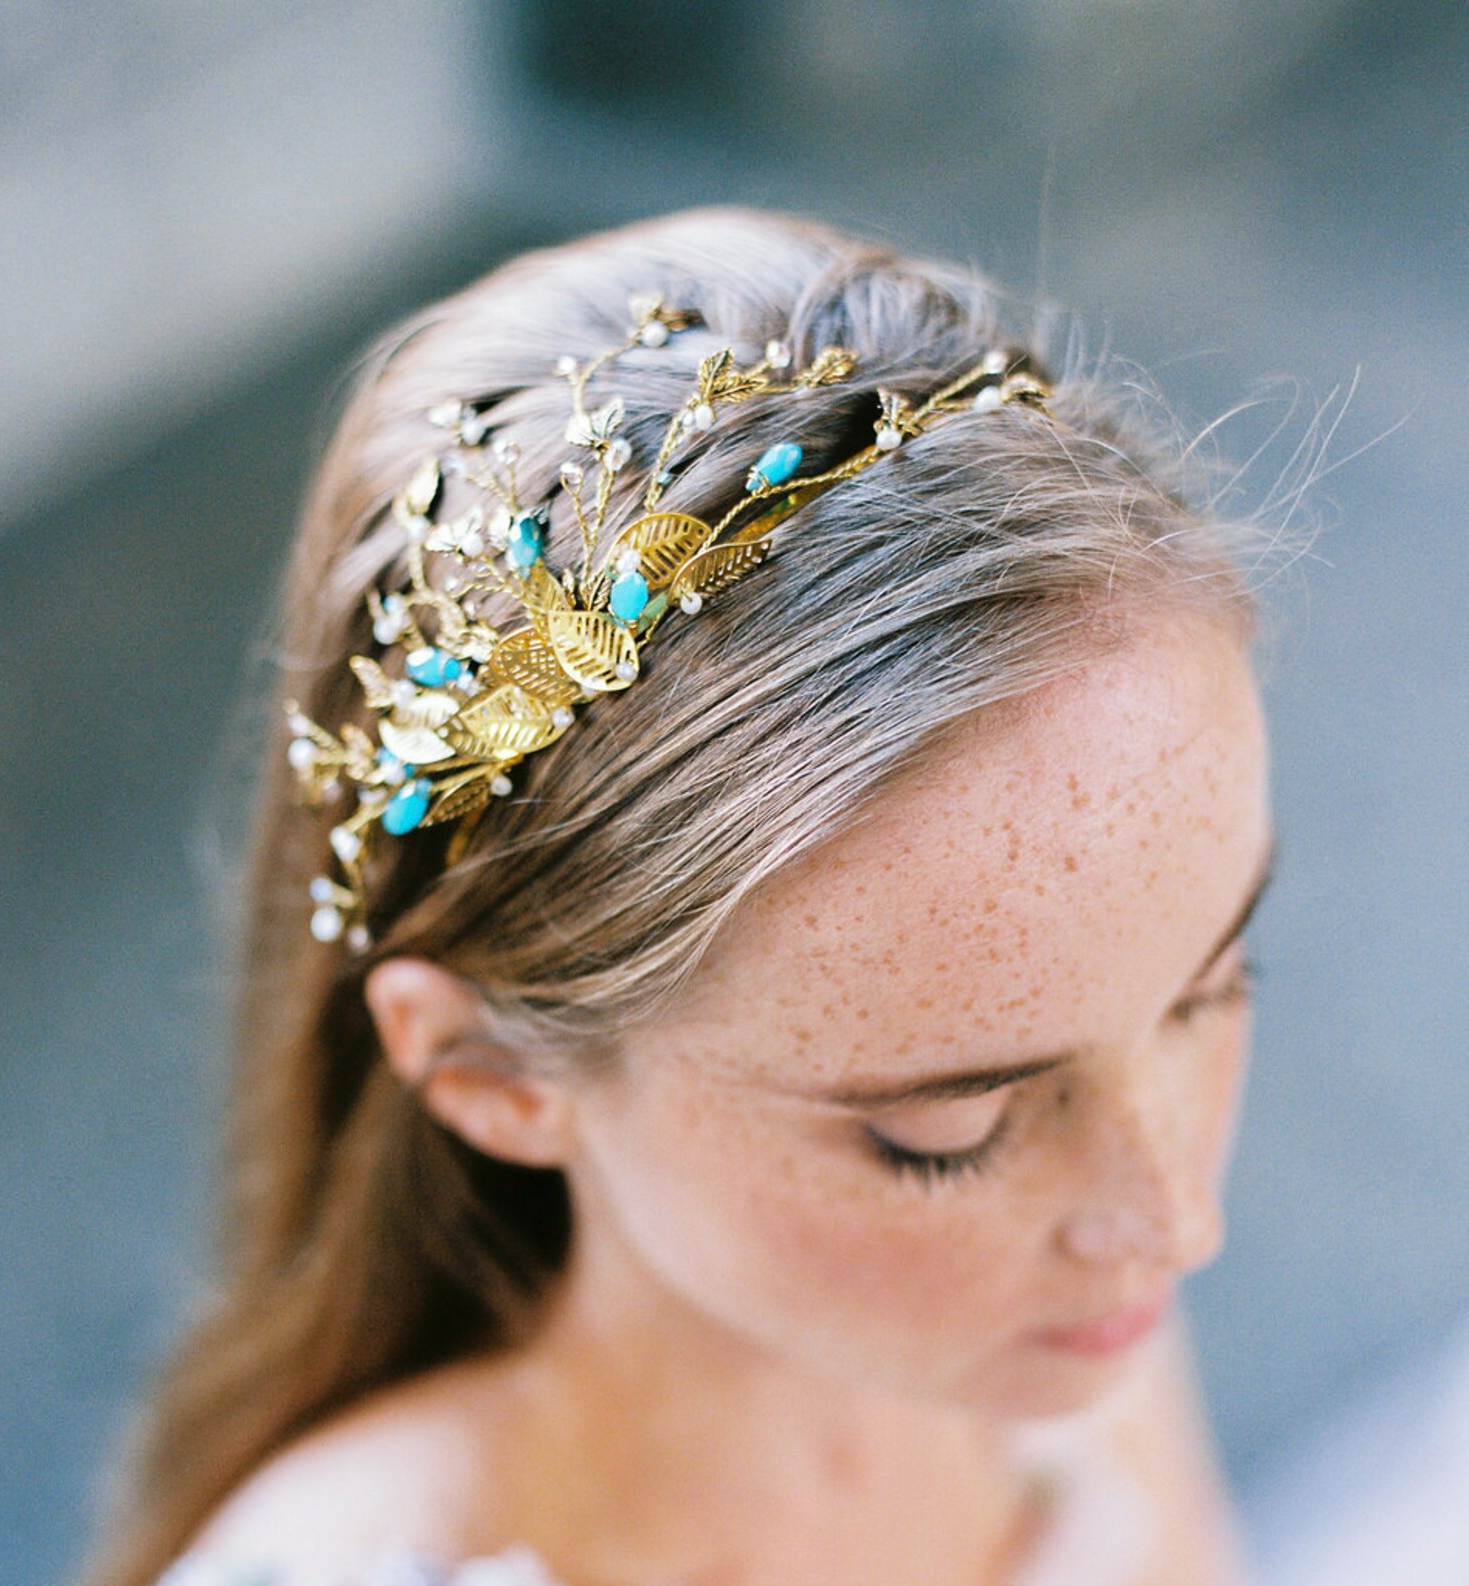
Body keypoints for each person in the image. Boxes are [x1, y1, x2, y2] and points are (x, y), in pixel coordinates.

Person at [80, 209, 1275, 1586]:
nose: (1178, 1218)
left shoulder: (1058, 1322)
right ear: (489, 1071)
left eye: (1212, 987)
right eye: (952, 1128)